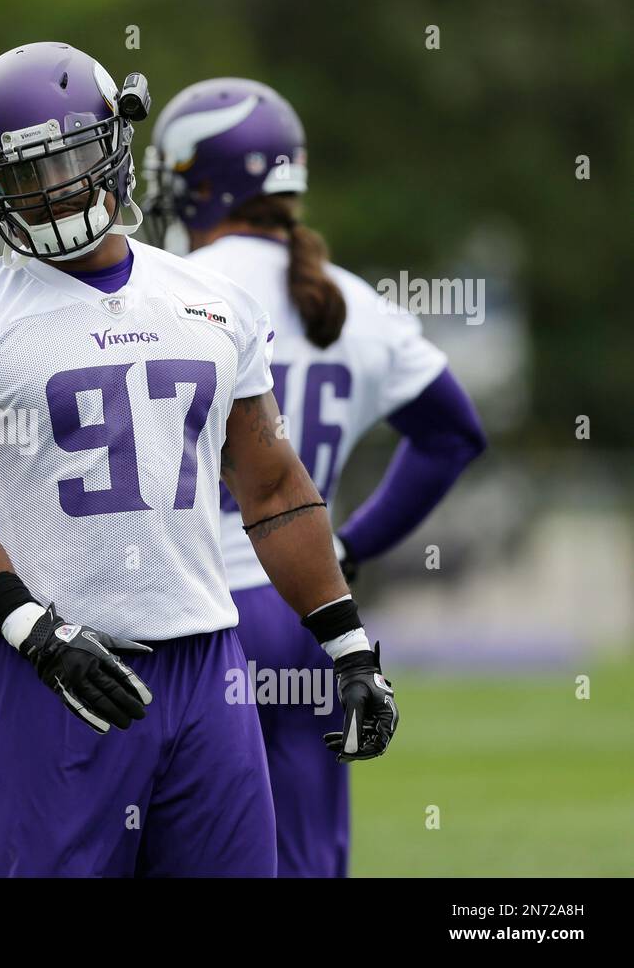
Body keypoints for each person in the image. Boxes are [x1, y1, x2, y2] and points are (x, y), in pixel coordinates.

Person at [0, 43, 397, 878]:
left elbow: (272, 489)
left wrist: (349, 645)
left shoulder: (212, 302)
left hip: (208, 667)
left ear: (115, 148)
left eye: (70, 159)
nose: (51, 190)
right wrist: (38, 633)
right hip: (43, 674)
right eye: (24, 175)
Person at [143, 77, 487, 876]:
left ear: (199, 178)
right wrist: (347, 549)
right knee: (303, 858)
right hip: (304, 606)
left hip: (183, 608)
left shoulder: (168, 289)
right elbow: (453, 434)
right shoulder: (354, 302)